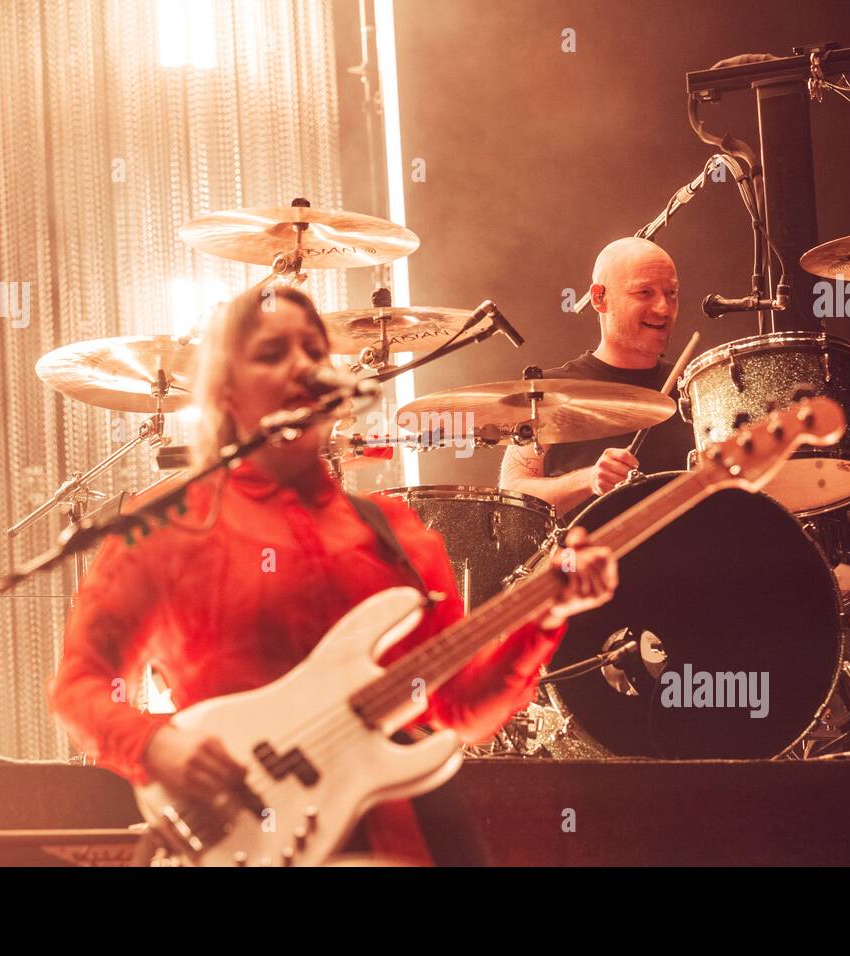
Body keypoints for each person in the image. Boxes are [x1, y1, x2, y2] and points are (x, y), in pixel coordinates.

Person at [48, 284, 618, 865]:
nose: (300, 366)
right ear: (224, 389)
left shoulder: (396, 533)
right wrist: (156, 743)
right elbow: (79, 688)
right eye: (272, 354)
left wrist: (548, 613)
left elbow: (459, 707)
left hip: (402, 837)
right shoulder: (166, 525)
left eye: (313, 352)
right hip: (251, 836)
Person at [500, 237, 694, 519]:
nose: (664, 308)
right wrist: (589, 479)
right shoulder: (550, 390)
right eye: (644, 292)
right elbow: (513, 498)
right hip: (581, 561)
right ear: (599, 298)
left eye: (671, 293)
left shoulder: (693, 387)